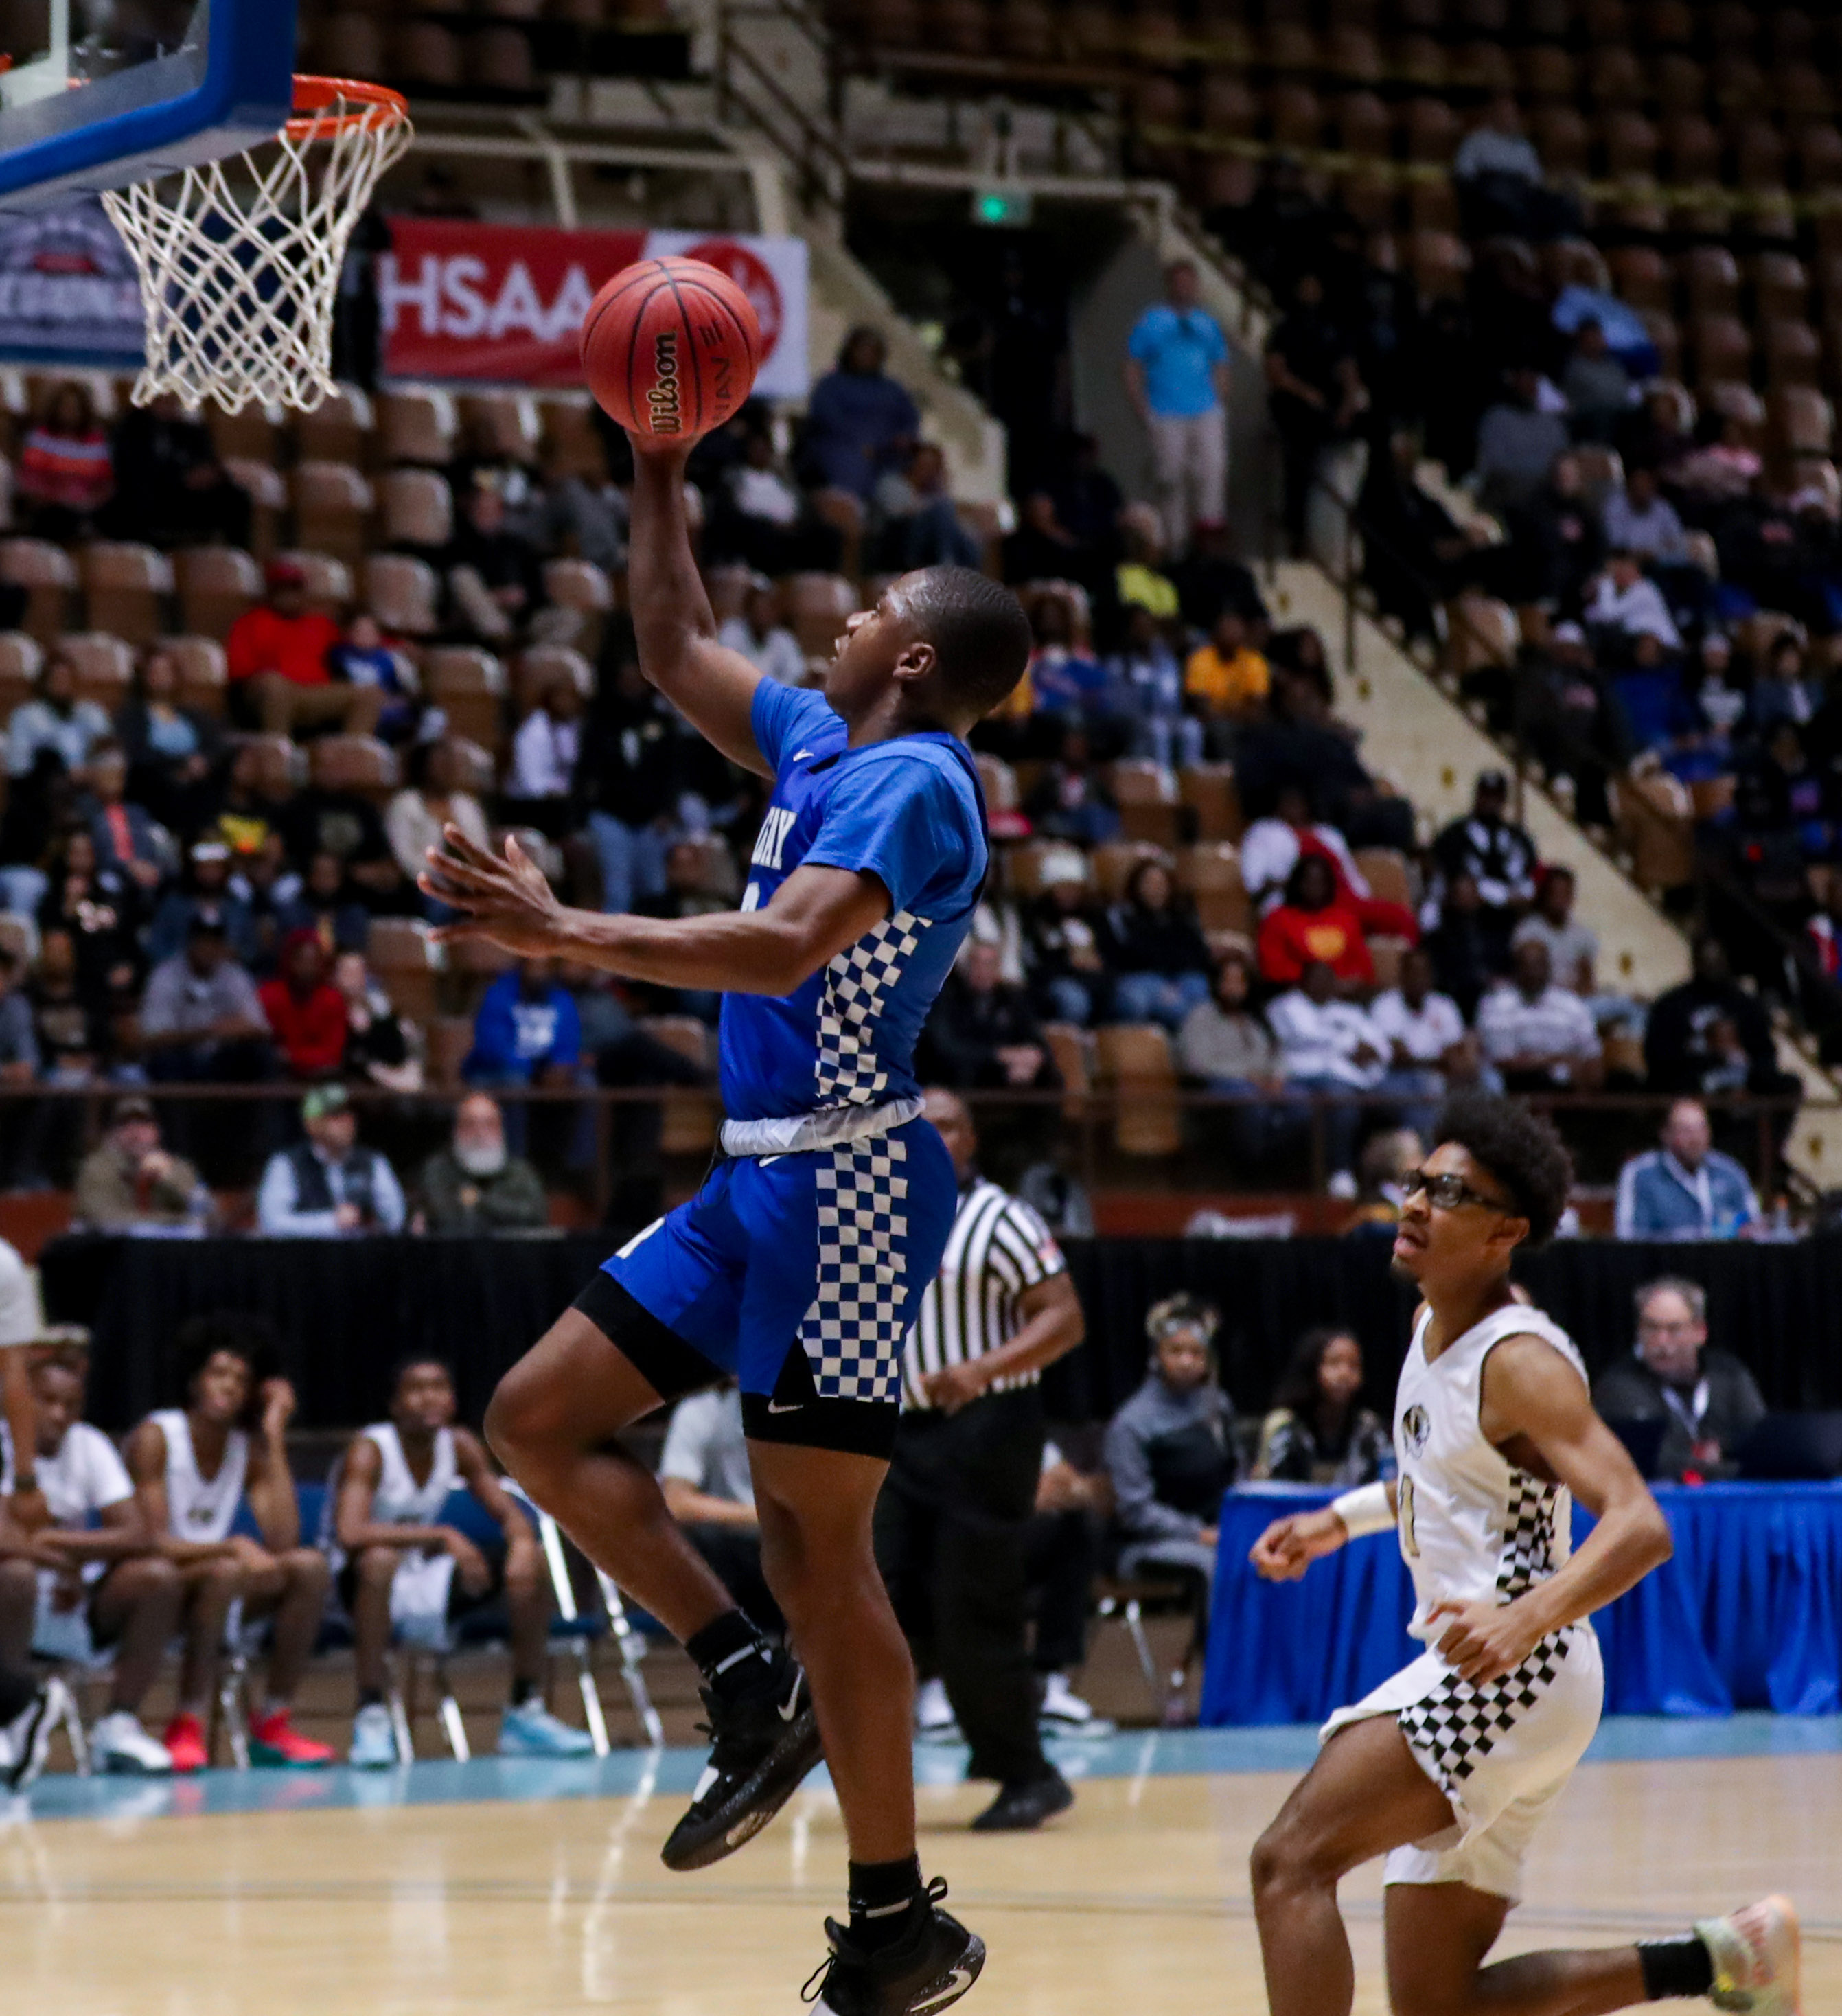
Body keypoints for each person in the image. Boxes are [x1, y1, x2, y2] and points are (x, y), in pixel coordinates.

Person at [419, 430, 1031, 2014]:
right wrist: (655, 463)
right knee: (534, 1417)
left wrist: (566, 929)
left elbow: (778, 950)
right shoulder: (828, 740)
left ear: (910, 652)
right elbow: (673, 644)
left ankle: (895, 1921)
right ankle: (742, 1670)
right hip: (756, 1171)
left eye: (863, 607)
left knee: (820, 1553)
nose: (827, 619)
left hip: (848, 1190)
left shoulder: (913, 781)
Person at [1243, 1100, 1796, 2016]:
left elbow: (1637, 1524)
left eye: (1447, 1192)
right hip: (1508, 1670)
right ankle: (1722, 1959)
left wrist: (1520, 1618)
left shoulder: (1518, 1359)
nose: (1415, 1203)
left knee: (1287, 1861)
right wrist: (1335, 1522)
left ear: (1504, 1231)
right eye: (1416, 1182)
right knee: (1438, 2006)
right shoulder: (1432, 1329)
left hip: (1512, 1667)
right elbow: (1444, 1480)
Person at [875, 1088, 1084, 1832]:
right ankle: (942, 1739)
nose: (929, 1137)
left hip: (987, 1426)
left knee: (974, 1604)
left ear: (970, 1141)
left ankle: (1027, 1769)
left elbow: (1064, 1318)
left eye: (947, 1126)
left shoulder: (1001, 1217)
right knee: (877, 1590)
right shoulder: (879, 1212)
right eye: (916, 1126)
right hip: (900, 1432)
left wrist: (983, 1368)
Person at [325, 1355, 593, 1765]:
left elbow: (510, 1515)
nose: (430, 1397)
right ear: (395, 1405)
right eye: (416, 1389)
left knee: (533, 1561)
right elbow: (350, 1534)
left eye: (440, 1387)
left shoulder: (460, 1444)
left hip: (418, 1577)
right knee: (379, 1562)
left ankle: (525, 1710)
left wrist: (522, 1544)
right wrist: (443, 1535)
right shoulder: (371, 1449)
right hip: (349, 1588)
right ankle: (372, 1712)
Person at [123, 1321, 336, 1770]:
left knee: (310, 1566)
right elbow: (152, 1543)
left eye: (242, 1380)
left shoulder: (245, 1447)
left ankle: (273, 1720)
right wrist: (232, 1547)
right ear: (194, 1380)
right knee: (227, 1571)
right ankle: (187, 1721)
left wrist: (275, 1432)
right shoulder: (158, 1436)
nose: (230, 1386)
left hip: (219, 1582)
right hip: (151, 1588)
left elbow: (284, 1540)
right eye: (219, 1373)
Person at [0, 1346, 179, 1773]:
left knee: (157, 1576)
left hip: (70, 1605)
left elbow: (139, 1534)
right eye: (48, 1402)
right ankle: (8, 1716)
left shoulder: (90, 1445)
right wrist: (54, 1556)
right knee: (17, 1575)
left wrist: (61, 1548)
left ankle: (120, 1724)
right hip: (10, 1603)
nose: (60, 1415)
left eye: (71, 1405)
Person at [1104, 1295, 1235, 1631]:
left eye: (1196, 1353)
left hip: (1218, 1531)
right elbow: (1135, 1510)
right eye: (1176, 1352)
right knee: (1215, 1565)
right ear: (1157, 1356)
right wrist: (1198, 1533)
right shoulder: (1132, 1424)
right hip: (1147, 1544)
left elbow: (1237, 1475)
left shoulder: (1217, 1407)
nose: (1187, 1361)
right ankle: (1217, 1674)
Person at [1591, 1277, 1766, 1482]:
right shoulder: (1618, 1386)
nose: (1662, 1341)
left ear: (1700, 1332)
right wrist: (1715, 1462)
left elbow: (1760, 1441)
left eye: (1674, 1329)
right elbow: (1656, 1460)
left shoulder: (1729, 1375)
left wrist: (1725, 1451)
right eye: (1651, 1328)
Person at [658, 1382, 783, 1637]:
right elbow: (676, 1503)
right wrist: (756, 1517)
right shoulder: (699, 1412)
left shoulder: (813, 1408)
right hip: (732, 1551)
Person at [1123, 260, 1230, 553]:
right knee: (1170, 478)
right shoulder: (1151, 321)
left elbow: (1220, 363)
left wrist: (1219, 400)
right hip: (1165, 410)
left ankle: (1209, 535)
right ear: (1170, 285)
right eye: (1179, 282)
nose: (1185, 288)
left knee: (1212, 470)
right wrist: (1141, 407)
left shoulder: (1207, 323)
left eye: (1190, 282)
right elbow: (1133, 366)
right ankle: (1175, 543)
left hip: (1205, 410)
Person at [1268, 958, 1396, 1188]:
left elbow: (1381, 1044)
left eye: (1328, 978)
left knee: (1399, 1096)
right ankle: (1340, 1171)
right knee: (1341, 1103)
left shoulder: (1348, 1011)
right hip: (1306, 1076)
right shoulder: (1286, 1005)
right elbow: (1305, 1037)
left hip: (1357, 1078)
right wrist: (1353, 1045)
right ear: (1304, 981)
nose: (1323, 984)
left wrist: (1373, 1049)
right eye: (1317, 978)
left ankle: (1391, 1177)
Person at [225, 560, 383, 739]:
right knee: (274, 685)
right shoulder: (249, 622)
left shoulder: (319, 623)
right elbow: (239, 671)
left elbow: (358, 641)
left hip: (313, 694)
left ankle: (349, 757)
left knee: (369, 694)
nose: (288, 595)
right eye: (282, 589)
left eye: (294, 588)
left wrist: (404, 648)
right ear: (271, 592)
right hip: (268, 694)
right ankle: (278, 752)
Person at [139, 913, 274, 1087]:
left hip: (222, 1061)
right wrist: (206, 1032)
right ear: (190, 942)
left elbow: (261, 1028)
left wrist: (230, 1030)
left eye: (215, 942)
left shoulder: (234, 975)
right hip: (182, 1061)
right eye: (203, 941)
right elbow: (152, 1036)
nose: (208, 948)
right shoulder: (166, 975)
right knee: (165, 1058)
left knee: (259, 1055)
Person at [256, 1083, 406, 1237]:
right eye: (335, 1116)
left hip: (363, 1256)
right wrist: (331, 1222)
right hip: (306, 1257)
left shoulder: (372, 1161)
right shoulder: (286, 1164)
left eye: (349, 1114)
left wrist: (373, 1217)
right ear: (312, 1124)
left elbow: (395, 1219)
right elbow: (273, 1224)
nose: (347, 1122)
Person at [1254, 1327, 1392, 1486]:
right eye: (1334, 1364)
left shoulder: (1369, 1430)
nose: (1344, 1374)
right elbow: (1270, 1488)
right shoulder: (1285, 1426)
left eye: (1353, 1365)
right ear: (1312, 1368)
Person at [1430, 772, 1539, 970]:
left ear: (1504, 800)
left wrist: (1487, 892)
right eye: (1485, 795)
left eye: (1496, 796)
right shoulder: (1455, 835)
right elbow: (1463, 893)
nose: (1490, 802)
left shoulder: (1519, 839)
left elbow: (1528, 893)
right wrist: (1505, 895)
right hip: (1465, 926)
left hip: (1509, 925)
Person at [803, 325, 921, 505]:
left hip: (887, 461)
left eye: (873, 351)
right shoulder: (831, 385)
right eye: (862, 349)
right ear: (850, 351)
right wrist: (862, 444)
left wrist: (899, 440)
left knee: (902, 497)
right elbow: (829, 422)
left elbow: (910, 421)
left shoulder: (893, 390)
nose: (867, 355)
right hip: (843, 457)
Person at [918, 939, 1055, 1091]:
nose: (982, 971)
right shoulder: (947, 999)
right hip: (959, 1077)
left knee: (1048, 1078)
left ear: (998, 968)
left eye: (989, 964)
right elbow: (947, 1049)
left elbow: (1037, 1042)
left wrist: (1029, 1059)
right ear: (967, 968)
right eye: (977, 964)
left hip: (1004, 1074)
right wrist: (1001, 1056)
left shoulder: (1011, 999)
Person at [1615, 1099, 1760, 1241]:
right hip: (1662, 1264)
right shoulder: (1641, 1174)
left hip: (1724, 1262)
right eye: (1685, 1130)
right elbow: (1629, 1239)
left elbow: (1756, 1232)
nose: (1695, 1138)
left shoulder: (1730, 1171)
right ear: (1666, 1134)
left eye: (1701, 1128)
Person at [1101, 856, 1216, 1029]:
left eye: (1161, 884)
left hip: (1181, 979)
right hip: (1140, 980)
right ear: (1136, 887)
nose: (1156, 889)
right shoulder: (1123, 917)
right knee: (1171, 1007)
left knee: (1200, 990)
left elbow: (1198, 955)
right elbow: (1127, 958)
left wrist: (1174, 982)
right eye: (1149, 883)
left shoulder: (1182, 916)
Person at [1476, 940, 1604, 1095]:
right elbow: (1504, 1062)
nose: (1533, 972)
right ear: (1516, 969)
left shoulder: (1572, 1005)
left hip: (1566, 1088)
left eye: (1538, 965)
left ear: (1549, 968)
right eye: (1527, 965)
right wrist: (1556, 1061)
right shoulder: (1497, 1005)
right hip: (1515, 1086)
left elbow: (1592, 1055)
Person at [415, 1090, 549, 1234]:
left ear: (501, 1130)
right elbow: (442, 1217)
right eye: (470, 1124)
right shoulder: (438, 1170)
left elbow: (534, 1216)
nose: (480, 1133)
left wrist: (478, 1200)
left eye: (489, 1124)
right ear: (456, 1130)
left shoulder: (521, 1173)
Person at [73, 1092, 209, 1233]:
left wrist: (167, 1176)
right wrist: (171, 1221)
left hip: (169, 1250)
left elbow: (205, 1214)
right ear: (114, 1133)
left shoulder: (176, 1166)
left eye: (143, 1123)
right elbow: (105, 1219)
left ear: (157, 1131)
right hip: (115, 1250)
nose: (135, 1131)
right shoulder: (98, 1167)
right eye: (125, 1124)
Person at [1258, 855, 1377, 990]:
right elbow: (1273, 970)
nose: (1314, 887)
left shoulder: (1346, 920)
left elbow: (1363, 969)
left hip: (1343, 998)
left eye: (1320, 882)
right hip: (1295, 998)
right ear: (1297, 883)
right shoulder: (1277, 920)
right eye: (1308, 881)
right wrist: (1314, 986)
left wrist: (1342, 986)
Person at [387, 739, 492, 891]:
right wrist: (442, 879)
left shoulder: (467, 805)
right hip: (421, 886)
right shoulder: (405, 803)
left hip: (469, 884)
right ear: (424, 766)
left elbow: (482, 850)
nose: (449, 768)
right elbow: (405, 859)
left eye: (453, 763)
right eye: (443, 763)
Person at [16, 380, 113, 538]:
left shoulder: (96, 442)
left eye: (75, 407)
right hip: (47, 512)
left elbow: (104, 485)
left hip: (84, 513)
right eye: (66, 406)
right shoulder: (40, 439)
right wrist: (54, 497)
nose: (70, 412)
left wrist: (86, 502)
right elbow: (29, 480)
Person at [258, 927, 348, 1082]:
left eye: (313, 961)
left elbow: (333, 1054)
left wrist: (292, 1056)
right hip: (277, 1077)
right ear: (289, 961)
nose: (307, 968)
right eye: (301, 960)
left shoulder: (332, 999)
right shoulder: (269, 995)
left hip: (320, 1077)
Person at [6, 652, 113, 780]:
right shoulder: (26, 716)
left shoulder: (91, 712)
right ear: (45, 683)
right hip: (45, 784)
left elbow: (109, 750)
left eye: (67, 679)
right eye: (57, 679)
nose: (62, 685)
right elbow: (19, 766)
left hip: (90, 785)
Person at [717, 577, 806, 688]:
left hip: (774, 699)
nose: (763, 614)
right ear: (748, 610)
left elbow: (796, 674)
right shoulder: (731, 632)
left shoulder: (783, 638)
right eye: (758, 608)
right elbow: (725, 672)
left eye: (768, 609)